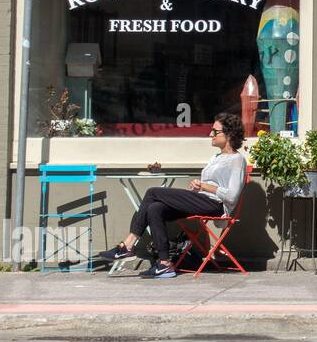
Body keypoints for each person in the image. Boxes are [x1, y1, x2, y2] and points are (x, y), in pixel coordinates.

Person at [97, 114, 248, 279]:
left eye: (215, 131)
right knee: (155, 208)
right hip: (201, 200)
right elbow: (208, 187)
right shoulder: (216, 157)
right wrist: (199, 187)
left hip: (216, 206)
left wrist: (204, 186)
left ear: (229, 135)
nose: (210, 134)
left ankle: (128, 244)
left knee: (153, 192)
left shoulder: (237, 160)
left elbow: (232, 196)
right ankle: (164, 264)